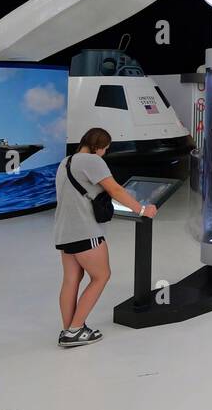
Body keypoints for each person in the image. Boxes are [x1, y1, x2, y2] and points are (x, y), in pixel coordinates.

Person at [54, 128, 157, 348]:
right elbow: (115, 190)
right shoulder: (92, 161)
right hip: (85, 231)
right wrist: (141, 209)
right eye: (105, 149)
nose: (104, 153)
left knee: (71, 279)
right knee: (101, 276)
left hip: (64, 232)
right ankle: (76, 328)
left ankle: (69, 330)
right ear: (97, 146)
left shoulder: (65, 162)